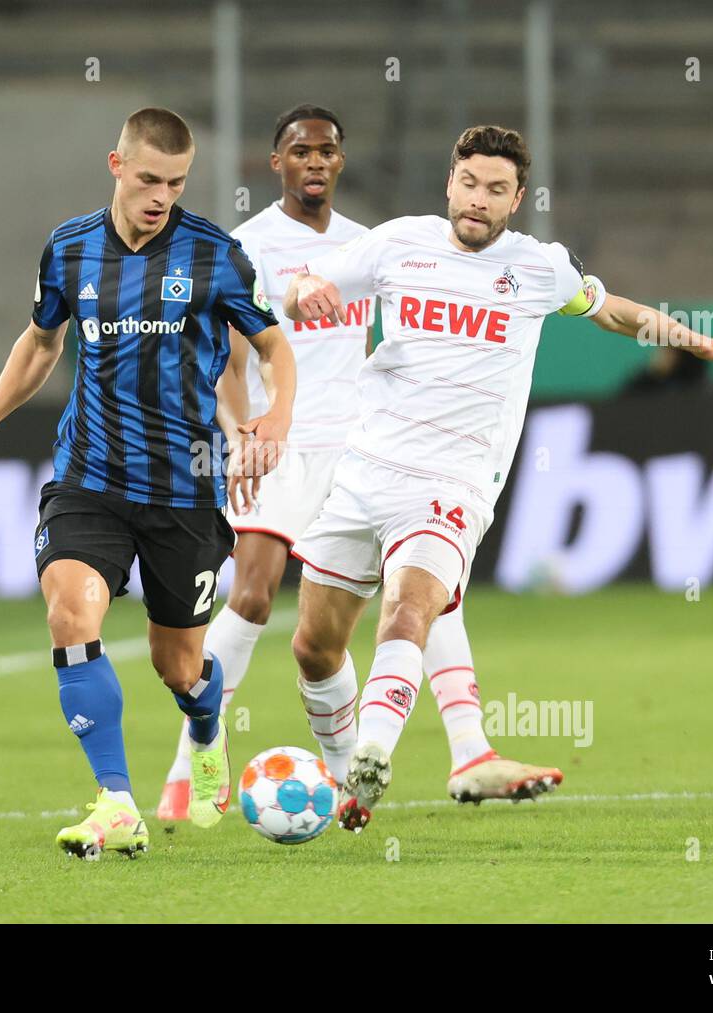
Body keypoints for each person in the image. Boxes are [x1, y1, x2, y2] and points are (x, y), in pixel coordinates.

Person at [283, 125, 713, 830]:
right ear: (451, 182)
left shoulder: (540, 269)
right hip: (366, 469)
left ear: (518, 199)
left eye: (496, 190)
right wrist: (305, 294)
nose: (478, 201)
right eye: (470, 183)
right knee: (314, 646)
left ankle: (374, 754)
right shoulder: (397, 242)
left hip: (454, 479)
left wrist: (702, 341)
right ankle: (355, 771)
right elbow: (302, 286)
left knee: (410, 608)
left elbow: (618, 314)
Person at [157, 105, 557, 819]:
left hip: (363, 448)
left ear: (341, 163)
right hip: (278, 445)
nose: (315, 162)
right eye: (300, 152)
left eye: (327, 152)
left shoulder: (371, 244)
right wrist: (241, 425)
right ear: (274, 162)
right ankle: (190, 768)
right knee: (251, 596)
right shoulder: (248, 245)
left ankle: (436, 756)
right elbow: (230, 352)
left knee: (422, 592)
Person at [0, 108, 297, 860]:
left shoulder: (213, 255)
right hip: (88, 477)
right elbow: (41, 342)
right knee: (71, 611)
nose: (161, 195)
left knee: (180, 665)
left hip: (184, 489)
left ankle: (204, 722)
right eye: (148, 178)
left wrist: (275, 420)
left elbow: (271, 346)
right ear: (116, 166)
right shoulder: (68, 249)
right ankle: (118, 800)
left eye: (176, 181)